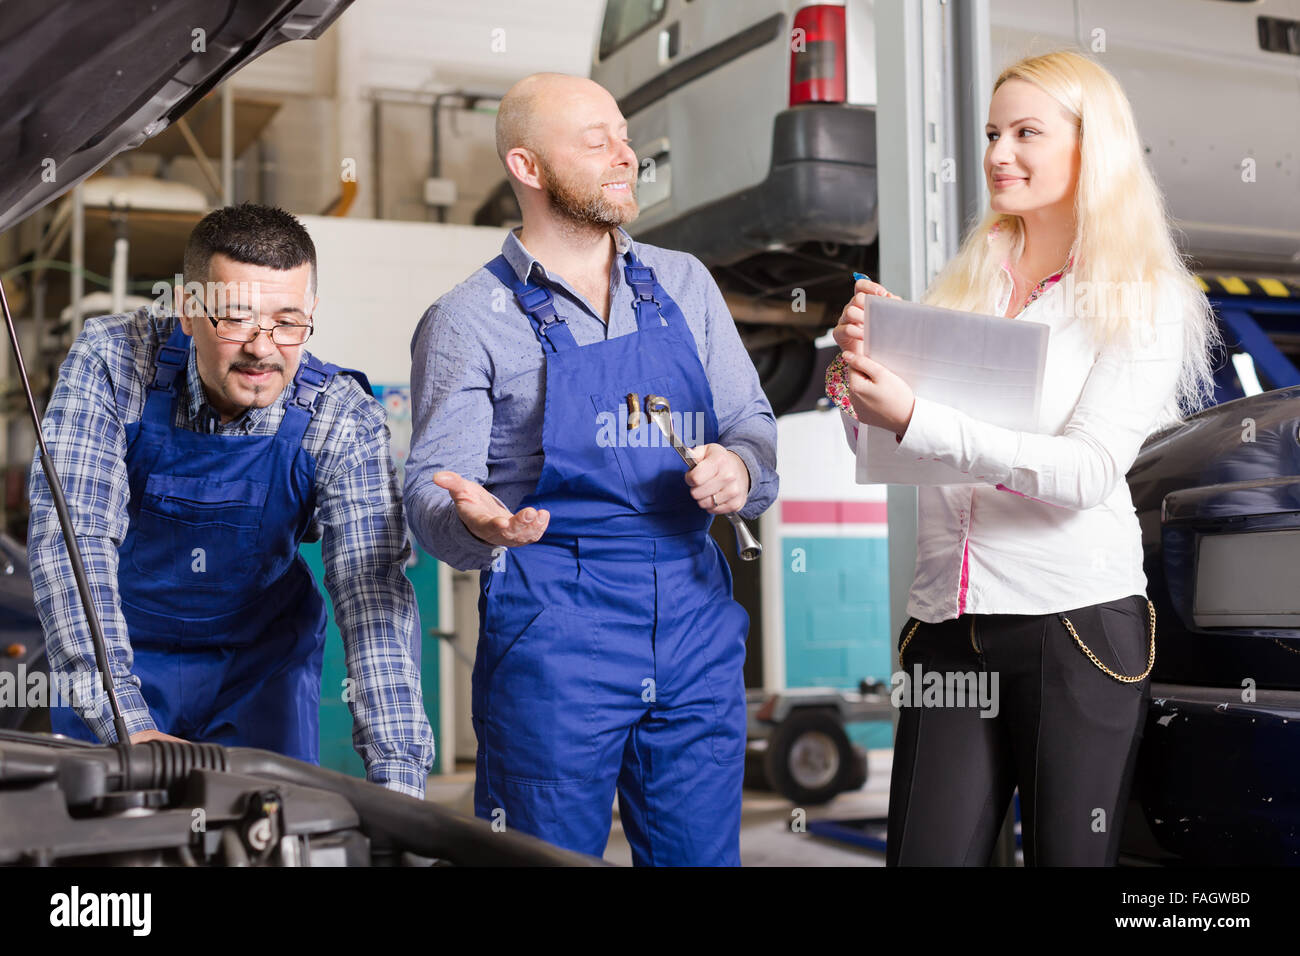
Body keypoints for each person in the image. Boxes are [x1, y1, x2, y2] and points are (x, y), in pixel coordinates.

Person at [824, 51, 1220, 865]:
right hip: (946, 623)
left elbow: (1086, 472)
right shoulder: (967, 285)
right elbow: (904, 452)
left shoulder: (1142, 296)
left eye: (1027, 133)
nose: (1000, 153)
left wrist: (917, 412)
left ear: (1091, 146)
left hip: (1071, 625)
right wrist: (860, 390)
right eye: (993, 133)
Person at [405, 73, 778, 865]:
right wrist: (476, 526)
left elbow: (751, 422)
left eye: (625, 135)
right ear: (528, 168)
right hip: (555, 631)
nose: (626, 156)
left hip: (696, 619)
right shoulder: (467, 321)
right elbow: (430, 489)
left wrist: (743, 470)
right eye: (596, 141)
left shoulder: (684, 283)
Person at [29, 203, 434, 798]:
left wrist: (401, 788)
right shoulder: (114, 363)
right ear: (189, 311)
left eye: (288, 321)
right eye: (235, 320)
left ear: (311, 314)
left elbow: (371, 596)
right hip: (122, 653)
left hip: (261, 669)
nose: (262, 350)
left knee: (266, 839)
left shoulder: (340, 417)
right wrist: (125, 718)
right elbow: (74, 540)